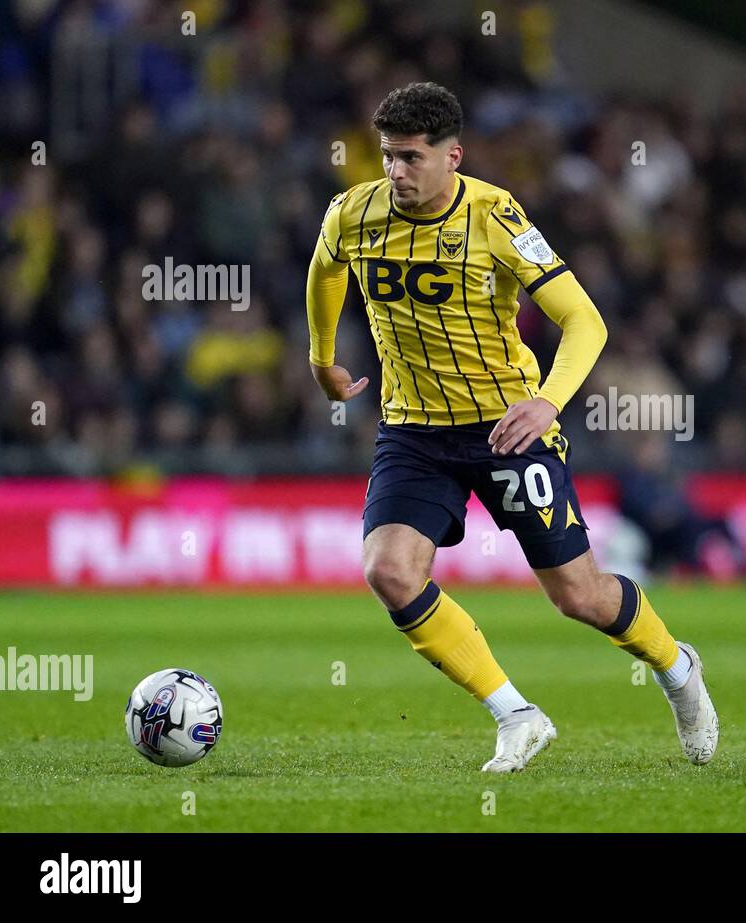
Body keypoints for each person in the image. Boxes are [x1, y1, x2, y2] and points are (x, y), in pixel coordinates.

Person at [306, 82, 717, 772]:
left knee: (578, 596)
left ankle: (677, 667)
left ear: (453, 157)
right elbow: (324, 272)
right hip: (413, 430)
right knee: (389, 570)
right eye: (388, 157)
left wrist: (549, 402)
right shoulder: (353, 212)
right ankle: (517, 714)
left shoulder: (495, 215)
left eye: (411, 157)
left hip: (507, 426)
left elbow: (585, 320)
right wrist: (321, 357)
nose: (396, 172)